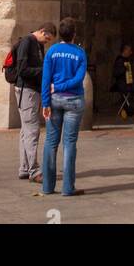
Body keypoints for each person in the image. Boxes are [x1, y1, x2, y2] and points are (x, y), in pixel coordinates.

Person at [41, 17, 88, 197]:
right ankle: (68, 187)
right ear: (74, 34)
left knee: (51, 142)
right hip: (74, 100)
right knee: (69, 144)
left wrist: (45, 102)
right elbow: (79, 78)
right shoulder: (80, 53)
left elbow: (46, 79)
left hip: (54, 100)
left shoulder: (52, 51)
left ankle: (47, 186)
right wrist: (62, 87)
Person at [13, 23, 57, 181]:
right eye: (47, 39)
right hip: (26, 91)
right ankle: (34, 170)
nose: (47, 42)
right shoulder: (27, 42)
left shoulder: (38, 45)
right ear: (42, 31)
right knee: (32, 130)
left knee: (26, 130)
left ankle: (24, 168)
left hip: (32, 91)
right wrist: (44, 70)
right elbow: (22, 70)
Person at [111, 43, 134, 117]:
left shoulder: (130, 60)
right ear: (125, 51)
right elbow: (115, 73)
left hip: (129, 84)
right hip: (122, 85)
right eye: (129, 51)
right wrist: (124, 69)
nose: (131, 52)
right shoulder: (119, 60)